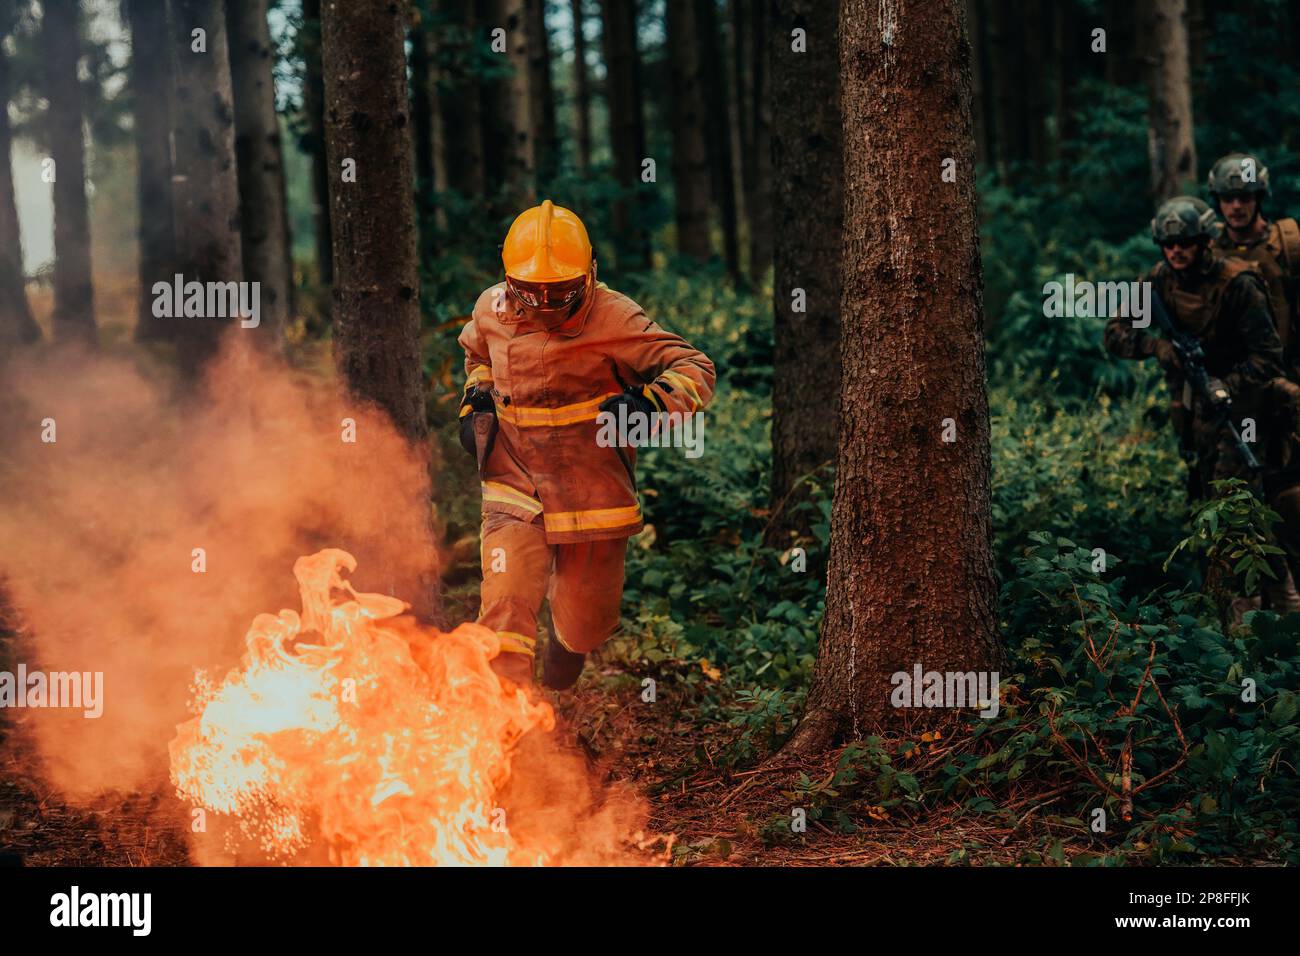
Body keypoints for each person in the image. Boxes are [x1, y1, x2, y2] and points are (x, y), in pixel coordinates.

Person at [458, 200, 716, 690]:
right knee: (505, 603)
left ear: (590, 274)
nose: (548, 305)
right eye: (534, 294)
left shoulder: (616, 318)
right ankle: (504, 726)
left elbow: (695, 368)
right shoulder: (490, 309)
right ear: (510, 280)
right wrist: (477, 399)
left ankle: (568, 644)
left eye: (562, 292)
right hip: (515, 488)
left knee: (587, 623)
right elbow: (476, 354)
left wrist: (651, 406)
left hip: (594, 499)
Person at [1104, 195, 1300, 616]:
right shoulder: (1156, 282)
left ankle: (1247, 624)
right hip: (1194, 419)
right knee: (1214, 509)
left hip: (1246, 415)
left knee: (1232, 515)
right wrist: (1156, 346)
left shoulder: (1239, 284)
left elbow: (1269, 356)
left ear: (1204, 242)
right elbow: (1115, 333)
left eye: (1186, 243)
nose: (1176, 251)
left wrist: (1225, 385)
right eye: (1169, 244)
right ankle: (1279, 604)